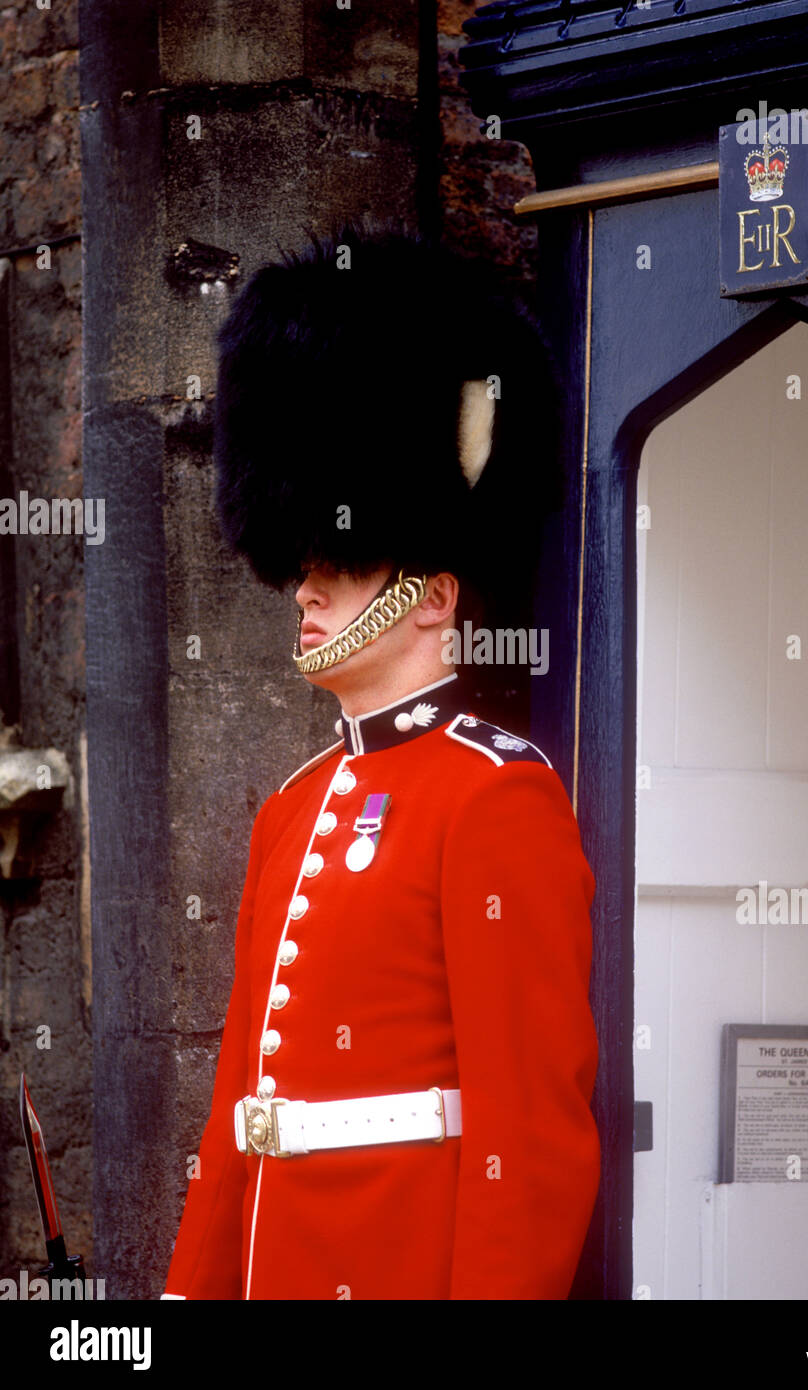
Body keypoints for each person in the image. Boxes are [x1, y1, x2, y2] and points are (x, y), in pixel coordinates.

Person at [162, 231, 600, 1300]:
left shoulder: (496, 797)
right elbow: (240, 1112)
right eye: (300, 563)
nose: (302, 590)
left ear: (434, 595)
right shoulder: (293, 809)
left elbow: (528, 1137)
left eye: (337, 566)